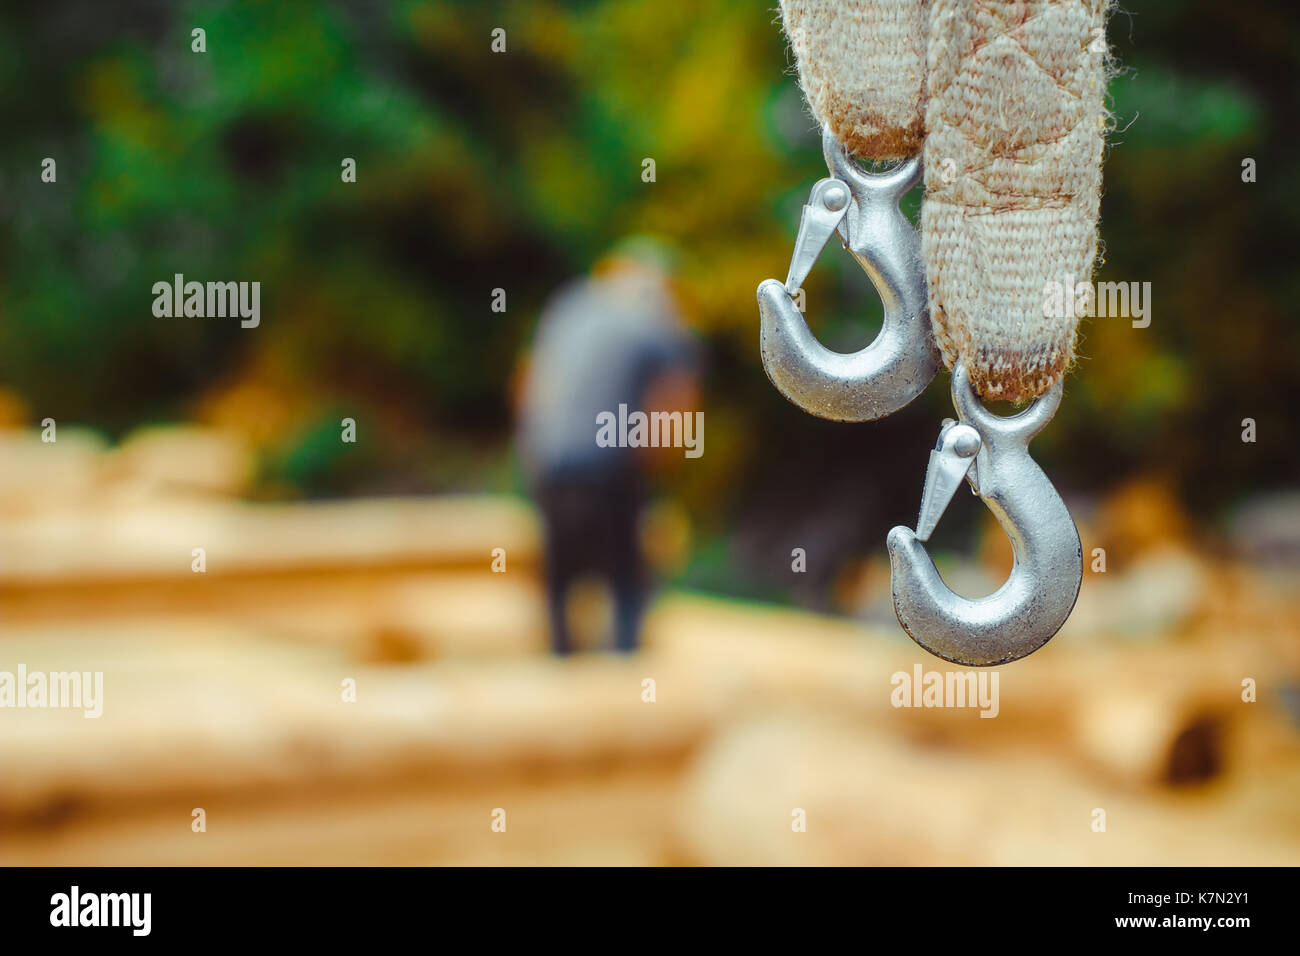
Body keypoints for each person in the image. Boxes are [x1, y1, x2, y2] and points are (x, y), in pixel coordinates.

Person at [516, 242, 700, 654]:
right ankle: (625, 677)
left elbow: (529, 382)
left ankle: (562, 670)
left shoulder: (567, 308)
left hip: (549, 460)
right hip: (610, 463)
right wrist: (661, 476)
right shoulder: (656, 320)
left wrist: (532, 451)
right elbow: (675, 402)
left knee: (561, 578)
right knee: (626, 578)